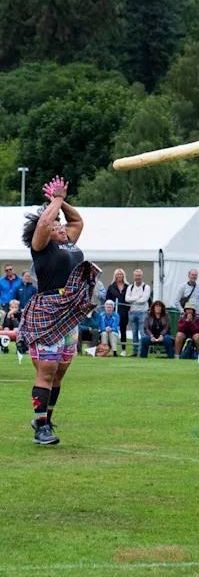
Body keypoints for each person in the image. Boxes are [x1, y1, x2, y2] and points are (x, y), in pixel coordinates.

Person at [18, 176, 98, 445]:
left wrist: (62, 202)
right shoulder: (41, 246)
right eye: (56, 225)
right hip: (48, 309)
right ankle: (40, 428)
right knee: (47, 368)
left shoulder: (67, 242)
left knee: (61, 370)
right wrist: (56, 199)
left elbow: (77, 222)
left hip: (70, 310)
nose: (61, 227)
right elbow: (43, 222)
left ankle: (46, 418)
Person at [124, 268, 151, 356]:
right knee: (134, 333)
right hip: (132, 313)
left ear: (142, 276)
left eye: (139, 275)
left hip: (143, 313)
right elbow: (126, 299)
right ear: (134, 276)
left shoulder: (146, 287)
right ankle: (135, 352)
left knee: (142, 333)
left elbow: (144, 300)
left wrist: (133, 299)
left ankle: (142, 352)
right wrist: (138, 297)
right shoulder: (130, 286)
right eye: (136, 275)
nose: (137, 277)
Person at [105, 268, 130, 356]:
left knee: (123, 330)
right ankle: (111, 349)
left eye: (121, 274)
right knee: (112, 330)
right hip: (113, 313)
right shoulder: (111, 286)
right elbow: (107, 299)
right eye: (118, 274)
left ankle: (123, 349)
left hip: (124, 312)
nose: (119, 276)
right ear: (115, 276)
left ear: (123, 275)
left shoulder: (128, 286)